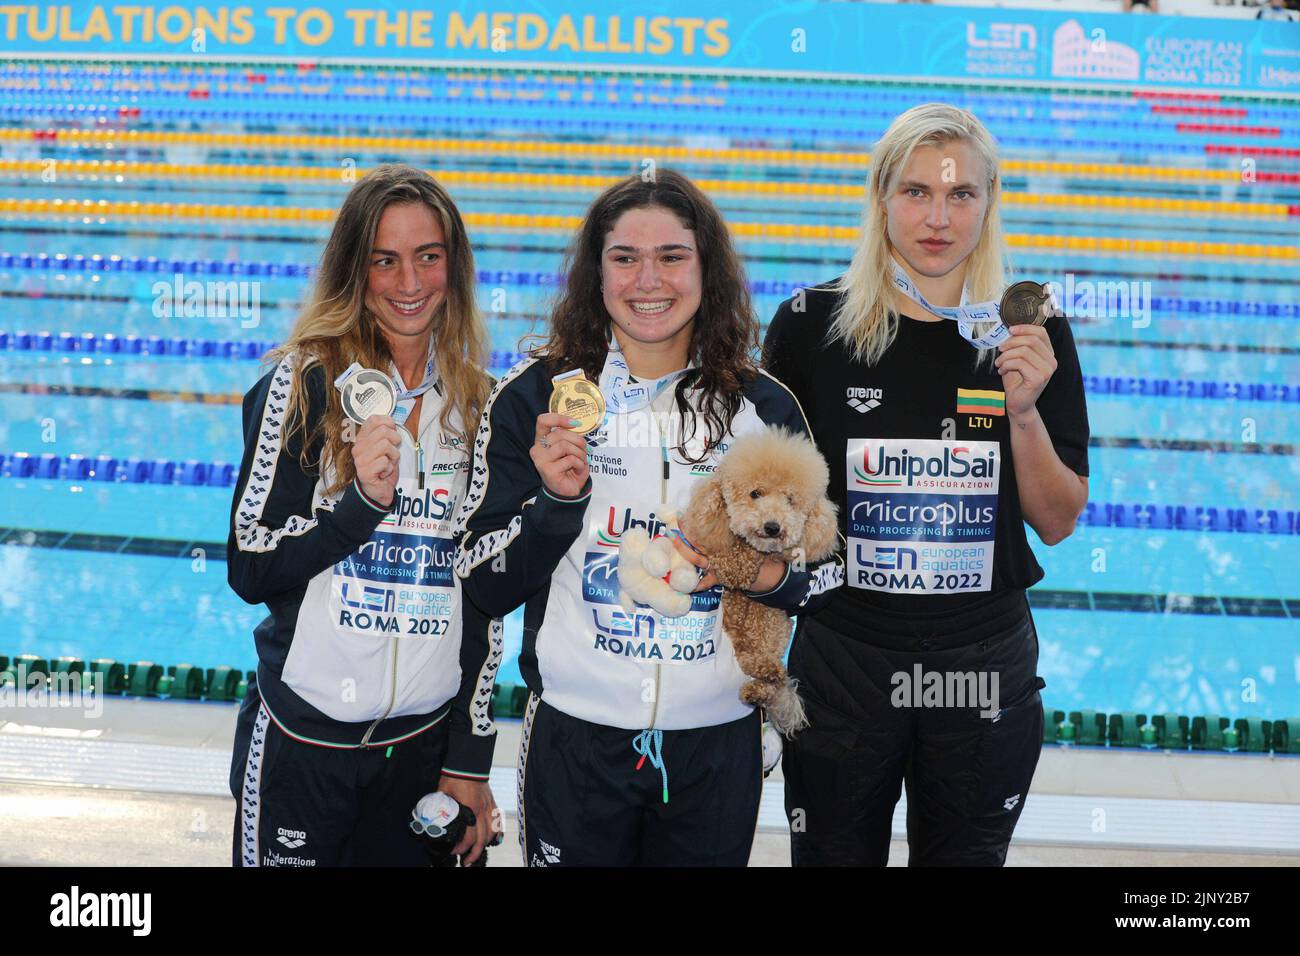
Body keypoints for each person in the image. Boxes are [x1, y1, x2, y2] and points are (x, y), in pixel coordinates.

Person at [453, 169, 841, 867]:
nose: (647, 280)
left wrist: (752, 569)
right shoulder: (537, 396)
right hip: (576, 737)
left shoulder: (762, 406)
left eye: (672, 256)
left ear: (706, 270)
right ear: (595, 272)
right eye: (624, 258)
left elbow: (829, 572)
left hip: (716, 743)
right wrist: (556, 506)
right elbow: (480, 581)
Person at [764, 103, 1090, 866]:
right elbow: (761, 502)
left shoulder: (1036, 335)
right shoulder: (811, 327)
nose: (938, 218)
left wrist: (1023, 415)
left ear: (988, 203)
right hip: (844, 657)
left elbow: (1058, 519)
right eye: (916, 192)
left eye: (960, 195)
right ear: (881, 199)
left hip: (978, 662)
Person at [226, 163, 501, 867]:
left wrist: (469, 758)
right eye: (385, 260)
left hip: (421, 752)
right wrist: (359, 508)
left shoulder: (479, 403)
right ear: (356, 269)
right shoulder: (302, 383)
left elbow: (484, 597)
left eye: (427, 257)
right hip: (303, 743)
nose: (409, 283)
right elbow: (251, 564)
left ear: (454, 266)